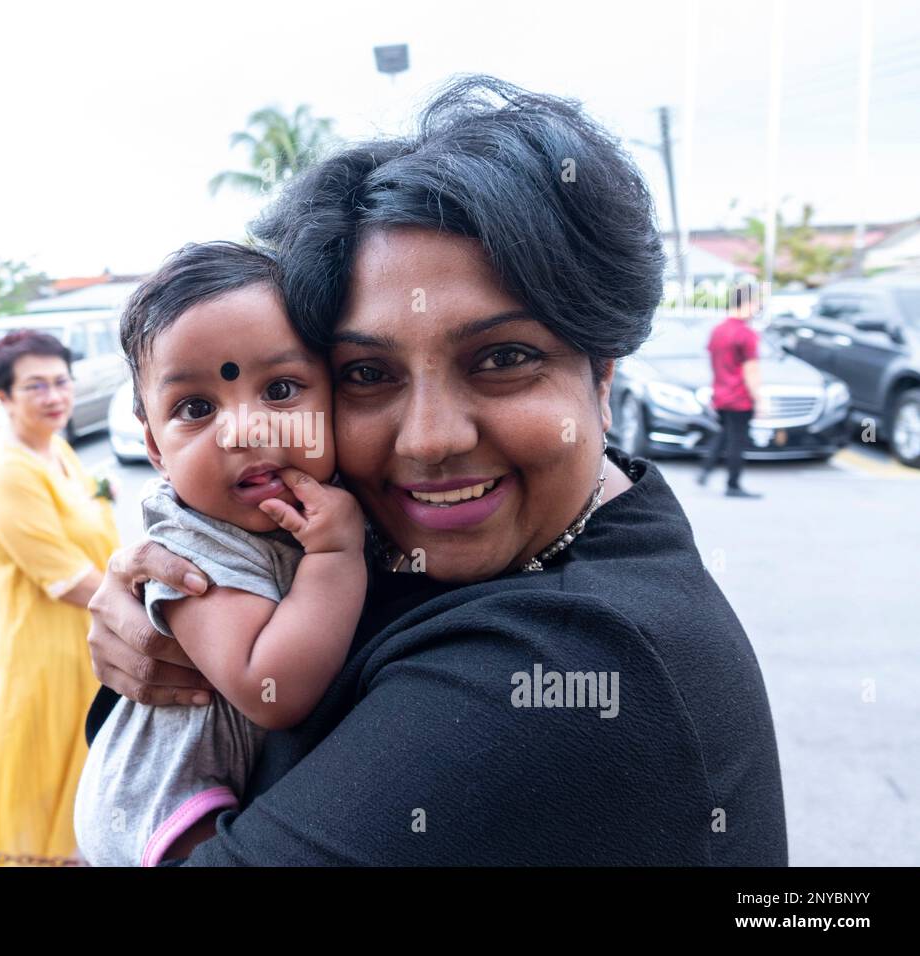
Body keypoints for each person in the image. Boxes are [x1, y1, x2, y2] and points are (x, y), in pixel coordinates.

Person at [82, 75, 788, 865]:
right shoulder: (431, 538)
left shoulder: (560, 671)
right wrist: (152, 636)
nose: (429, 440)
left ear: (601, 375)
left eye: (504, 358)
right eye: (367, 374)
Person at [72, 242, 367, 866]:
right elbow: (273, 690)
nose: (246, 429)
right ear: (154, 446)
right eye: (197, 408)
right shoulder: (191, 547)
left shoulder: (324, 502)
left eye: (282, 389)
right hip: (168, 809)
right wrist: (337, 555)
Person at [0, 330, 119, 865]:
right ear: (1, 396)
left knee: (78, 771)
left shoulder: (56, 447)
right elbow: (68, 578)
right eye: (35, 387)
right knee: (33, 775)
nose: (54, 396)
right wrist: (159, 612)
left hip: (82, 644)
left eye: (61, 382)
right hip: (37, 653)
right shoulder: (7, 471)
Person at [698, 283, 765, 498]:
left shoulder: (718, 331)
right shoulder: (746, 334)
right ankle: (733, 485)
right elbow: (751, 370)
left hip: (721, 394)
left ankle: (706, 469)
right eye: (755, 303)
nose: (757, 309)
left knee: (725, 434)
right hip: (739, 398)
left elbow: (715, 363)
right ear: (746, 304)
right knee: (737, 440)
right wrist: (760, 399)